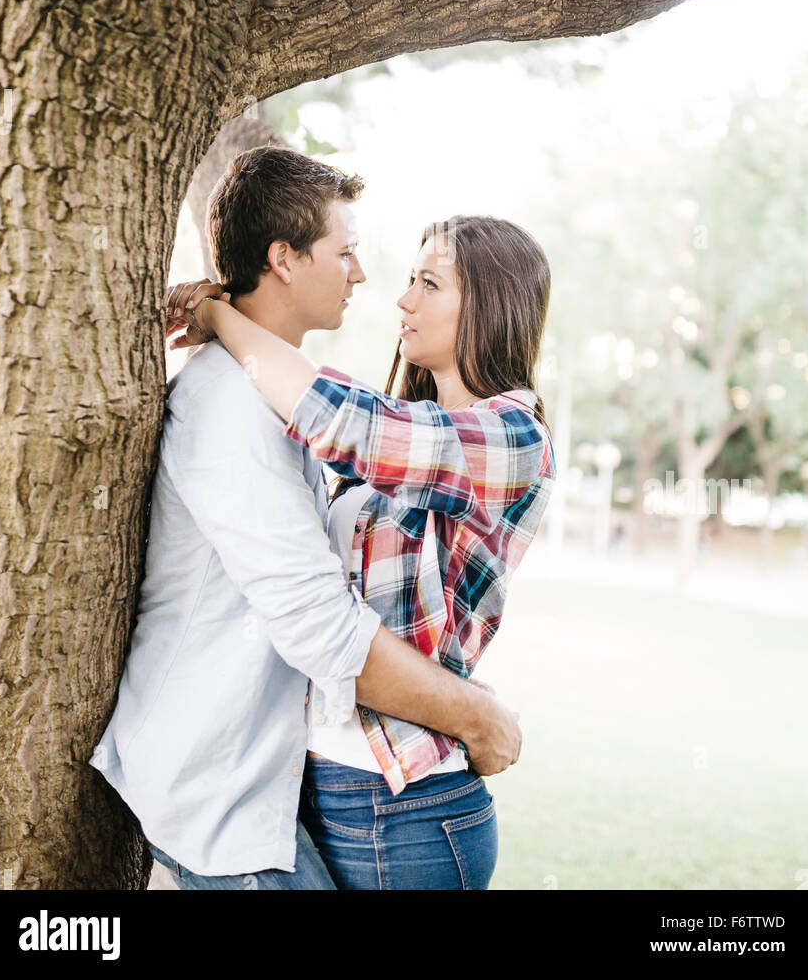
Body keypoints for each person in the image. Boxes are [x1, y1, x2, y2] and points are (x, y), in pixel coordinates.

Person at [90, 147, 522, 892]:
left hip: (271, 787)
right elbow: (320, 625)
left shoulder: (283, 400)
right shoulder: (230, 405)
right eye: (344, 251)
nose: (364, 277)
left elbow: (345, 416)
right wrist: (477, 717)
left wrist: (217, 311)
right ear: (284, 259)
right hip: (219, 790)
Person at [168, 208, 556, 890]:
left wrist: (222, 319)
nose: (404, 299)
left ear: (491, 305)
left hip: (403, 812)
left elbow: (337, 418)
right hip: (319, 785)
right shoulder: (410, 434)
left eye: (430, 284)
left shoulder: (513, 439)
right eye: (411, 278)